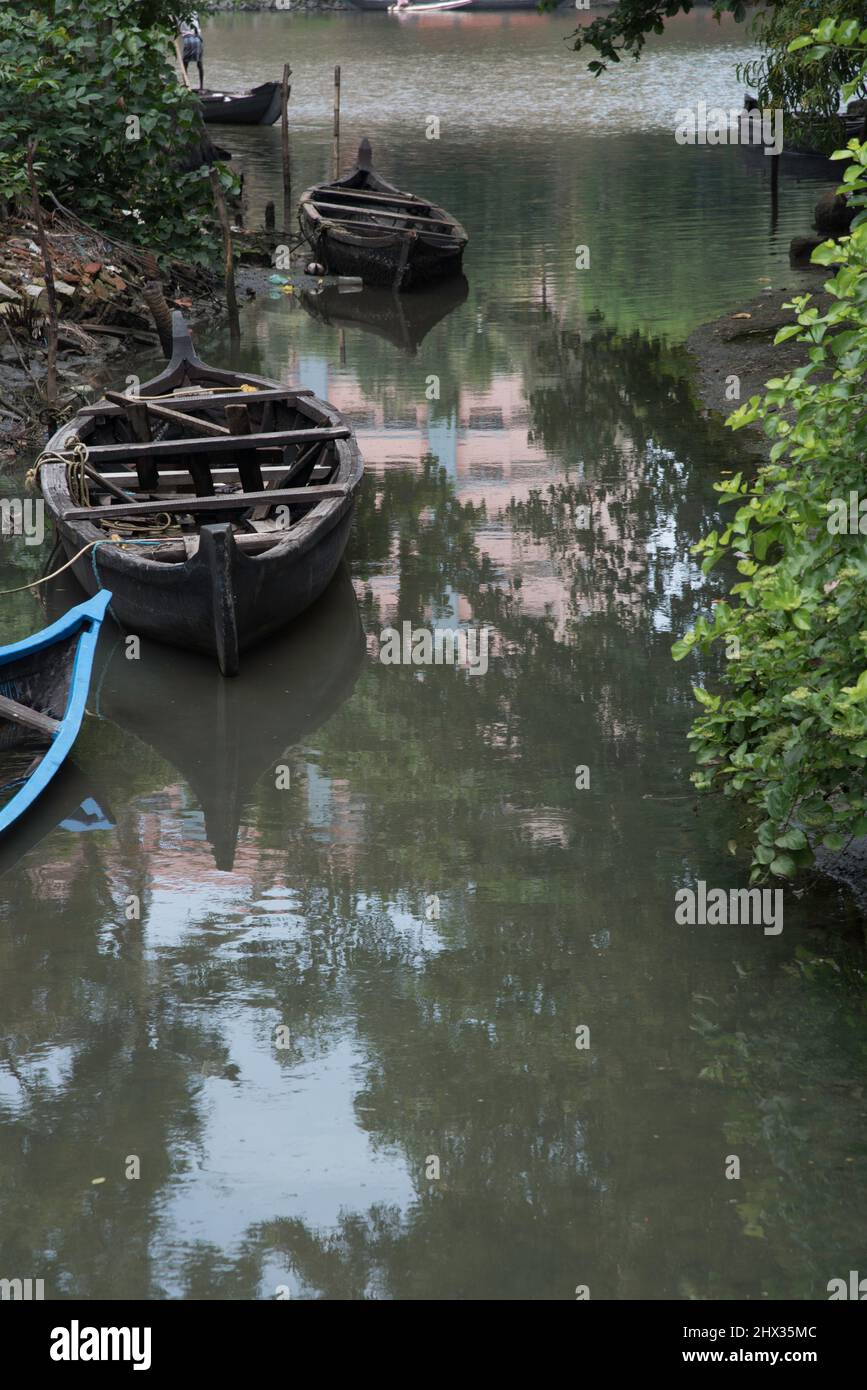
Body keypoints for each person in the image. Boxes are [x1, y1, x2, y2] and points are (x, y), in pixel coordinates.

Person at [179, 13, 204, 92]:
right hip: (198, 39)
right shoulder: (195, 12)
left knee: (184, 65)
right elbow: (198, 25)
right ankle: (201, 87)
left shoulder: (179, 14)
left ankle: (186, 85)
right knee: (199, 64)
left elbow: (177, 28)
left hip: (188, 39)